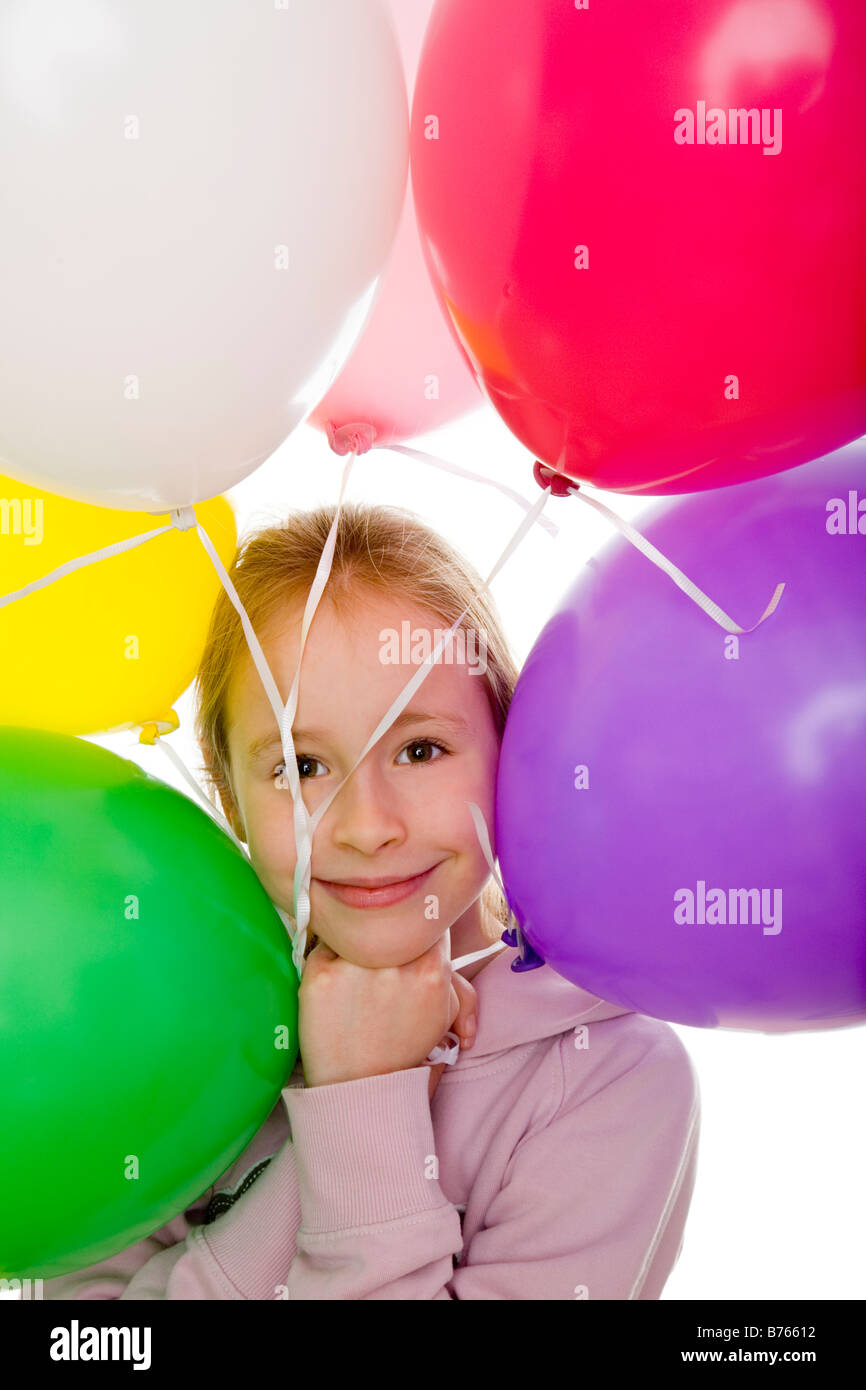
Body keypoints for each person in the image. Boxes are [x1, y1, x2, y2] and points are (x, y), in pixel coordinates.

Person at [30, 501, 700, 1300]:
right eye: (300, 767)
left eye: (420, 750)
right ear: (229, 794)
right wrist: (356, 1097)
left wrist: (363, 1104)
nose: (366, 826)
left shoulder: (612, 1076)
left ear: (512, 746)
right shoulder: (137, 1013)